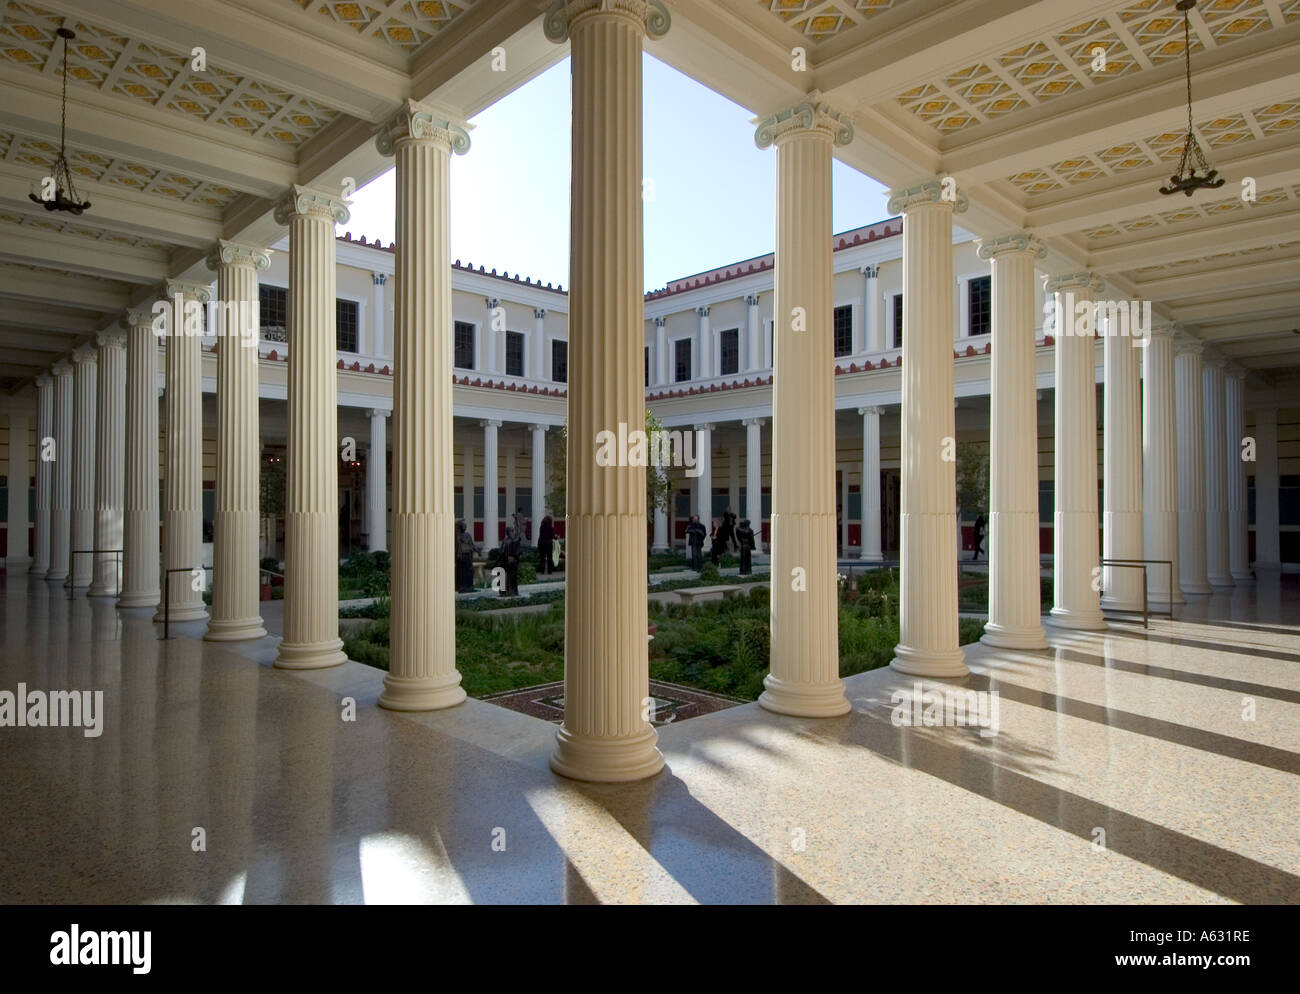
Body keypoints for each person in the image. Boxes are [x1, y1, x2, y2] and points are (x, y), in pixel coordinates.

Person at [500, 526, 522, 596]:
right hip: (509, 561)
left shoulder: (509, 540)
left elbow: (502, 551)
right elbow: (502, 551)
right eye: (511, 531)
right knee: (509, 577)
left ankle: (508, 591)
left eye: (512, 531)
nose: (512, 533)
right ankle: (509, 591)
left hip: (509, 561)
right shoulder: (509, 540)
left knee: (510, 577)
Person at [455, 519, 475, 593]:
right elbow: (457, 546)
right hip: (461, 556)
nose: (464, 527)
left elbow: (472, 545)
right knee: (461, 573)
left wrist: (478, 551)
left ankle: (469, 586)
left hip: (468, 556)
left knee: (470, 571)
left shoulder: (468, 535)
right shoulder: (457, 535)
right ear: (460, 527)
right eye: (463, 525)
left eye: (465, 526)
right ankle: (461, 586)